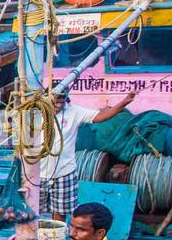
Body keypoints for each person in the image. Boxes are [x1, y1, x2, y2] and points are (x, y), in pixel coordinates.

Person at [39, 90, 133, 223]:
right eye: (55, 101)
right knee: (33, 211)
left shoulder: (74, 111)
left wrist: (124, 102)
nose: (58, 105)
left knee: (60, 213)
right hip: (37, 172)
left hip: (64, 172)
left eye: (61, 100)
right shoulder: (35, 113)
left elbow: (101, 116)